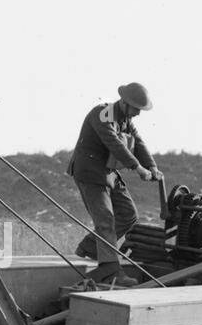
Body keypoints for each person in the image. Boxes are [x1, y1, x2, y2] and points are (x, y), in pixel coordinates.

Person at [67, 83, 163, 286]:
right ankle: (110, 270)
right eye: (136, 108)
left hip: (108, 173)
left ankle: (91, 247)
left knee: (128, 215)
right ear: (125, 103)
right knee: (105, 219)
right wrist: (138, 168)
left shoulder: (126, 119)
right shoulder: (102, 114)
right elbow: (114, 143)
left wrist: (152, 166)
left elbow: (139, 142)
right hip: (90, 172)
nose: (137, 113)